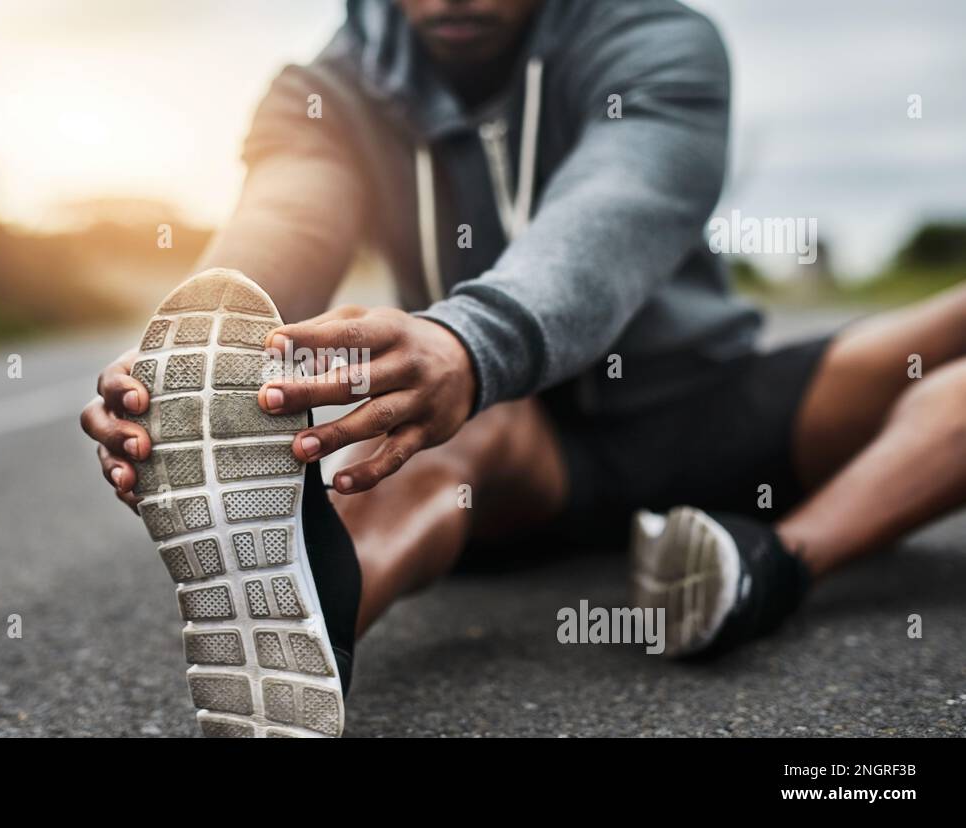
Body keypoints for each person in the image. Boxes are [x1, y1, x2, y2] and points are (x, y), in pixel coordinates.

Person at [79, 0, 966, 736]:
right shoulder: (323, 95)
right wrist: (183, 360)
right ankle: (314, 612)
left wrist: (470, 340)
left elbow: (624, 199)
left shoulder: (659, 40)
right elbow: (289, 217)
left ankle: (774, 561)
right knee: (436, 438)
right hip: (505, 436)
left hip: (706, 404)